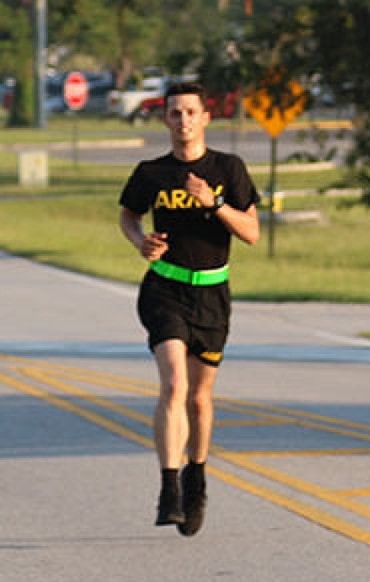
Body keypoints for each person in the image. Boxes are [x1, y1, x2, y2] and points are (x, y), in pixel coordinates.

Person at [118, 82, 260, 536]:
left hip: (212, 295)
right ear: (165, 119)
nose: (183, 121)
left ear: (205, 117)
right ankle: (169, 487)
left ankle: (196, 477)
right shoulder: (151, 173)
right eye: (175, 113)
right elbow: (128, 215)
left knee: (199, 398)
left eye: (191, 112)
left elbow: (251, 232)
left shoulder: (228, 168)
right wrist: (142, 243)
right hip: (165, 290)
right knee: (174, 384)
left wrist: (214, 202)